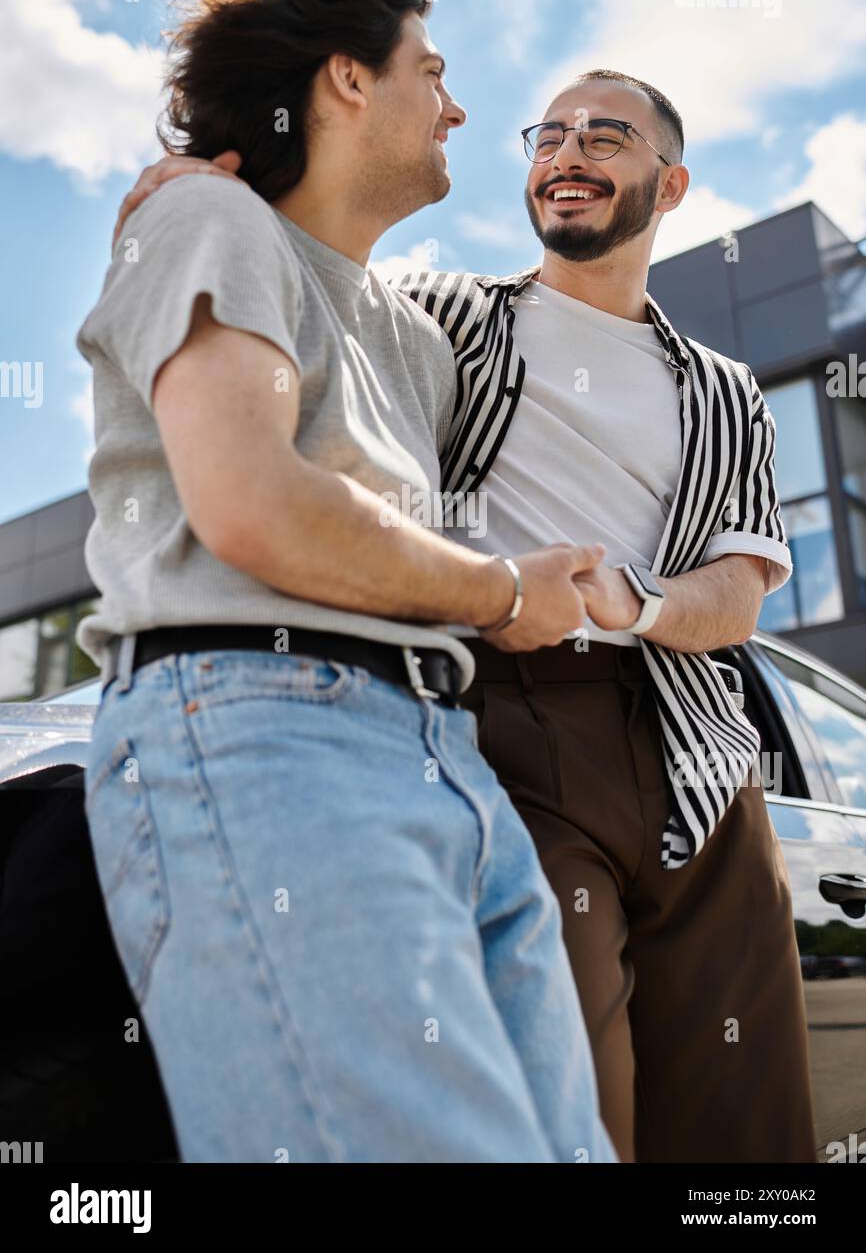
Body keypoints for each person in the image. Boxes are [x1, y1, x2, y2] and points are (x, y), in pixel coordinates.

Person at [121, 67, 817, 1164]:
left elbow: (735, 591)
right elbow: (311, 283)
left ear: (668, 184)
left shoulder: (725, 389)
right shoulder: (442, 315)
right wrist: (206, 194)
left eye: (605, 136)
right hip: (504, 728)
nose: (565, 152)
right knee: (567, 1104)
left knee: (744, 1129)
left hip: (696, 748)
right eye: (548, 134)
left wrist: (636, 602)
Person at [76, 0, 618, 1165]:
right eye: (431, 71)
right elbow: (255, 505)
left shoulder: (415, 340)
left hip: (443, 763)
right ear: (344, 77)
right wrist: (500, 592)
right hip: (266, 731)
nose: (458, 108)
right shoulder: (210, 223)